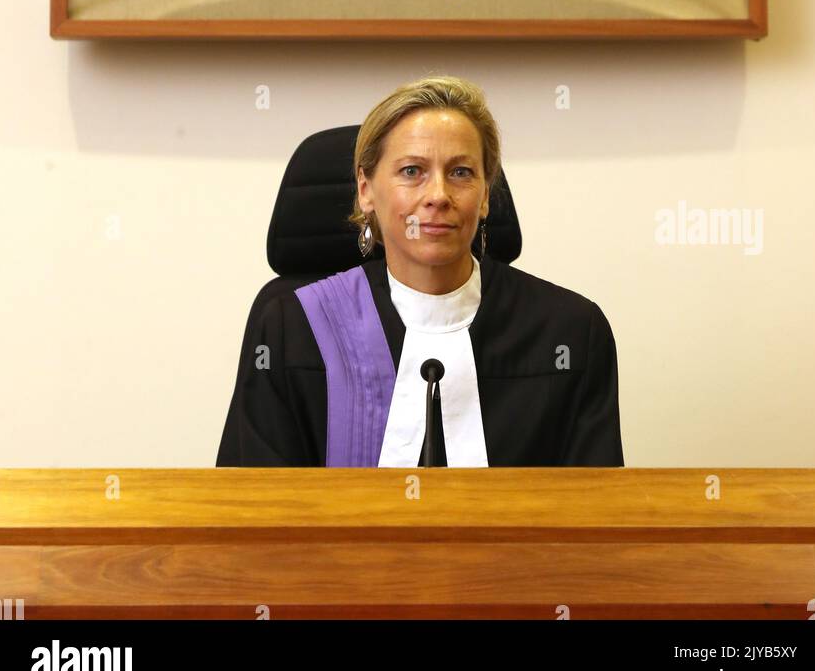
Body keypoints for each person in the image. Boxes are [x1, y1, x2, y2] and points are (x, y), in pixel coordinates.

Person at [217, 75, 623, 467]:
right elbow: (251, 512)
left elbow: (595, 516)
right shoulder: (293, 329)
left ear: (485, 196)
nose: (438, 196)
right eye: (412, 171)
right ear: (366, 189)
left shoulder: (569, 332)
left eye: (461, 172)